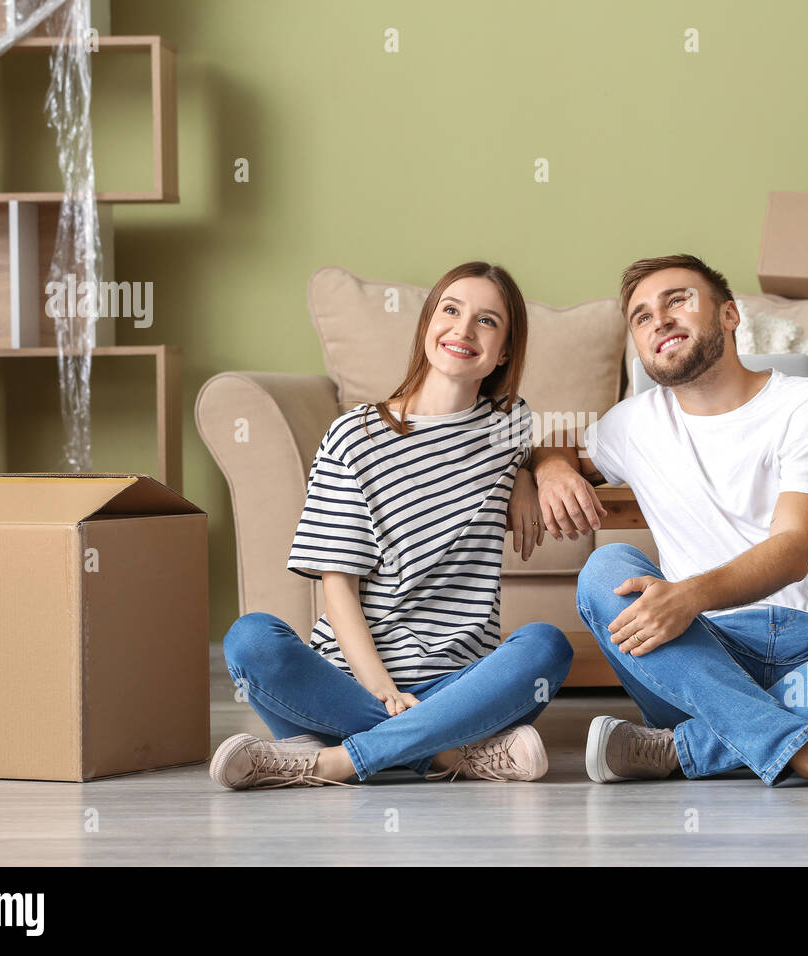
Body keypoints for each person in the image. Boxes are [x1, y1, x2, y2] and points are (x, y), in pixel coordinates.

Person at [530, 254, 808, 790]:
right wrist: (552, 470)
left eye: (677, 299)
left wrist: (687, 595)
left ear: (730, 315)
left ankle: (681, 749)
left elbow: (794, 547)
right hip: (694, 655)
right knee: (604, 569)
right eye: (640, 316)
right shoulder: (633, 423)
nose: (658, 319)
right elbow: (556, 447)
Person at [211, 261, 572, 790]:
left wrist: (534, 469)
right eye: (450, 311)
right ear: (427, 324)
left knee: (547, 646)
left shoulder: (509, 424)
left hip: (459, 684)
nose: (463, 330)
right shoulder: (353, 437)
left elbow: (557, 442)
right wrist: (381, 688)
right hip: (346, 683)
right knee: (249, 640)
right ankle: (449, 752)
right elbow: (338, 588)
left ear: (505, 352)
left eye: (487, 321)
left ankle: (330, 760)